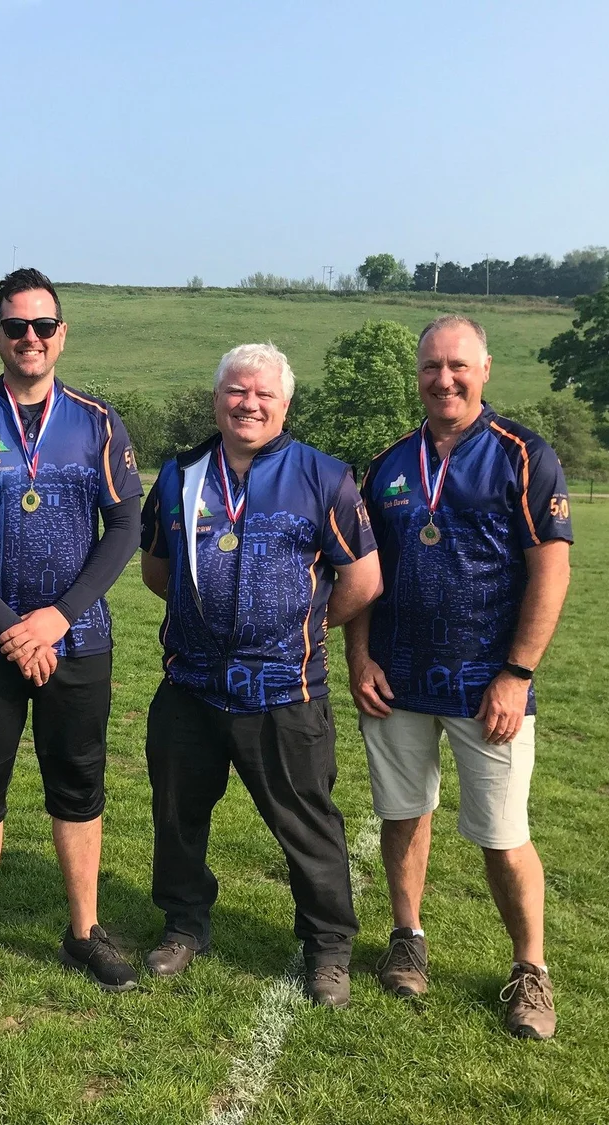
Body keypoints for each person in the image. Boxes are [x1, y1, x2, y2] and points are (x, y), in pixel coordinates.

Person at [0, 268, 143, 1001]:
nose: (31, 339)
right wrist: (11, 624)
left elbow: (126, 526)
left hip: (78, 637)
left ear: (62, 333)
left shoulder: (100, 423)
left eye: (44, 326)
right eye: (16, 327)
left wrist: (59, 614)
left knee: (78, 780)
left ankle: (83, 931)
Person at [346, 314, 573, 1040]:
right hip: (398, 679)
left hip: (487, 686)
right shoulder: (386, 463)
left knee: (503, 833)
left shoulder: (523, 455)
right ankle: (407, 935)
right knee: (403, 815)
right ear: (416, 374)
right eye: (431, 367)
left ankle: (530, 970)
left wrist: (516, 672)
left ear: (485, 369)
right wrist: (359, 655)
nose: (444, 378)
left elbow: (552, 571)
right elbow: (357, 570)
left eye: (458, 365)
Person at [138, 342, 382, 1008]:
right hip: (190, 686)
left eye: (263, 393)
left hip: (284, 689)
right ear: (217, 399)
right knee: (178, 815)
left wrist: (293, 628)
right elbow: (157, 572)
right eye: (236, 391)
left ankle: (328, 945)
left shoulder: (324, 476)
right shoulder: (179, 475)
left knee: (306, 823)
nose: (248, 403)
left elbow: (363, 580)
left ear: (285, 403)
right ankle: (185, 922)